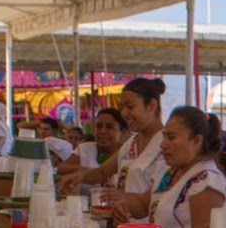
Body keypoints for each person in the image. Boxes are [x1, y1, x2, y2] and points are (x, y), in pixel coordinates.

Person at [134, 106, 226, 228]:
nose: (163, 144)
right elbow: (143, 204)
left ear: (197, 141)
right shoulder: (170, 172)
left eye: (171, 138)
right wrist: (117, 203)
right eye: (164, 137)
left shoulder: (206, 181)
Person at [59, 78, 167, 212]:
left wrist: (124, 198)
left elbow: (165, 195)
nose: (124, 113)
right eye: (122, 108)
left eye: (130, 107)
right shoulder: (132, 143)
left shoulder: (167, 145)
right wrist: (79, 176)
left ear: (151, 105)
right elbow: (102, 171)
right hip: (126, 225)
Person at [57, 106, 124, 175]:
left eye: (109, 127)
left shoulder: (128, 152)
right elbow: (61, 168)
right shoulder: (86, 149)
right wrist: (81, 170)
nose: (103, 131)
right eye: (99, 126)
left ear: (122, 131)